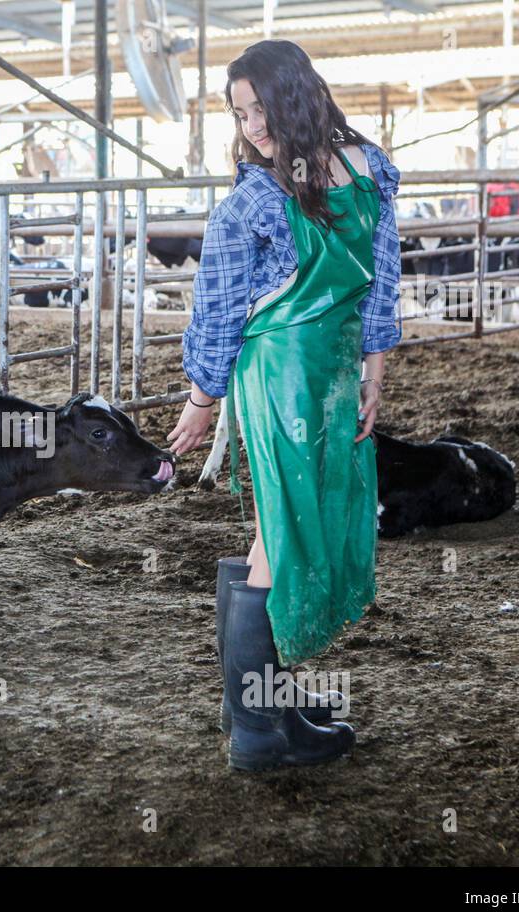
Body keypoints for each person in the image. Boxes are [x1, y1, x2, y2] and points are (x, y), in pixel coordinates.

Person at [167, 39, 403, 772]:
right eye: (238, 113)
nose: (251, 125)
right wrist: (203, 396)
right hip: (281, 378)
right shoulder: (253, 198)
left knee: (291, 533)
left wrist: (374, 372)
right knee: (285, 536)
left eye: (258, 107)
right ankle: (261, 730)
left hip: (333, 373)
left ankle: (265, 707)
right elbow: (220, 305)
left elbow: (384, 277)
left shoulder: (368, 167)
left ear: (294, 95)